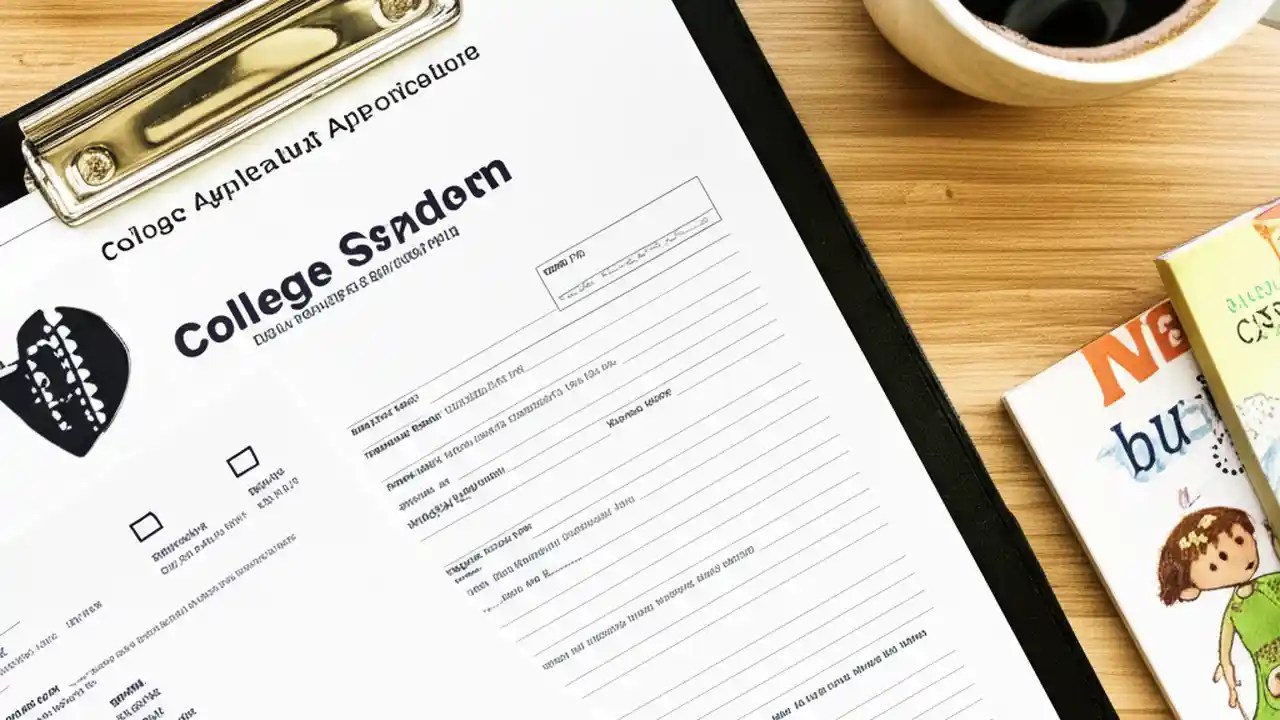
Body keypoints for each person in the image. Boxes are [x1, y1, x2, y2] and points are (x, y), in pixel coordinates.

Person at [1159, 507, 1280, 719]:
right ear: (1191, 589)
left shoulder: (1273, 582)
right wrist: (1231, 682)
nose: (1238, 558)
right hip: (1270, 678)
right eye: (1218, 562)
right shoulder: (1234, 611)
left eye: (1240, 541)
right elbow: (1225, 656)